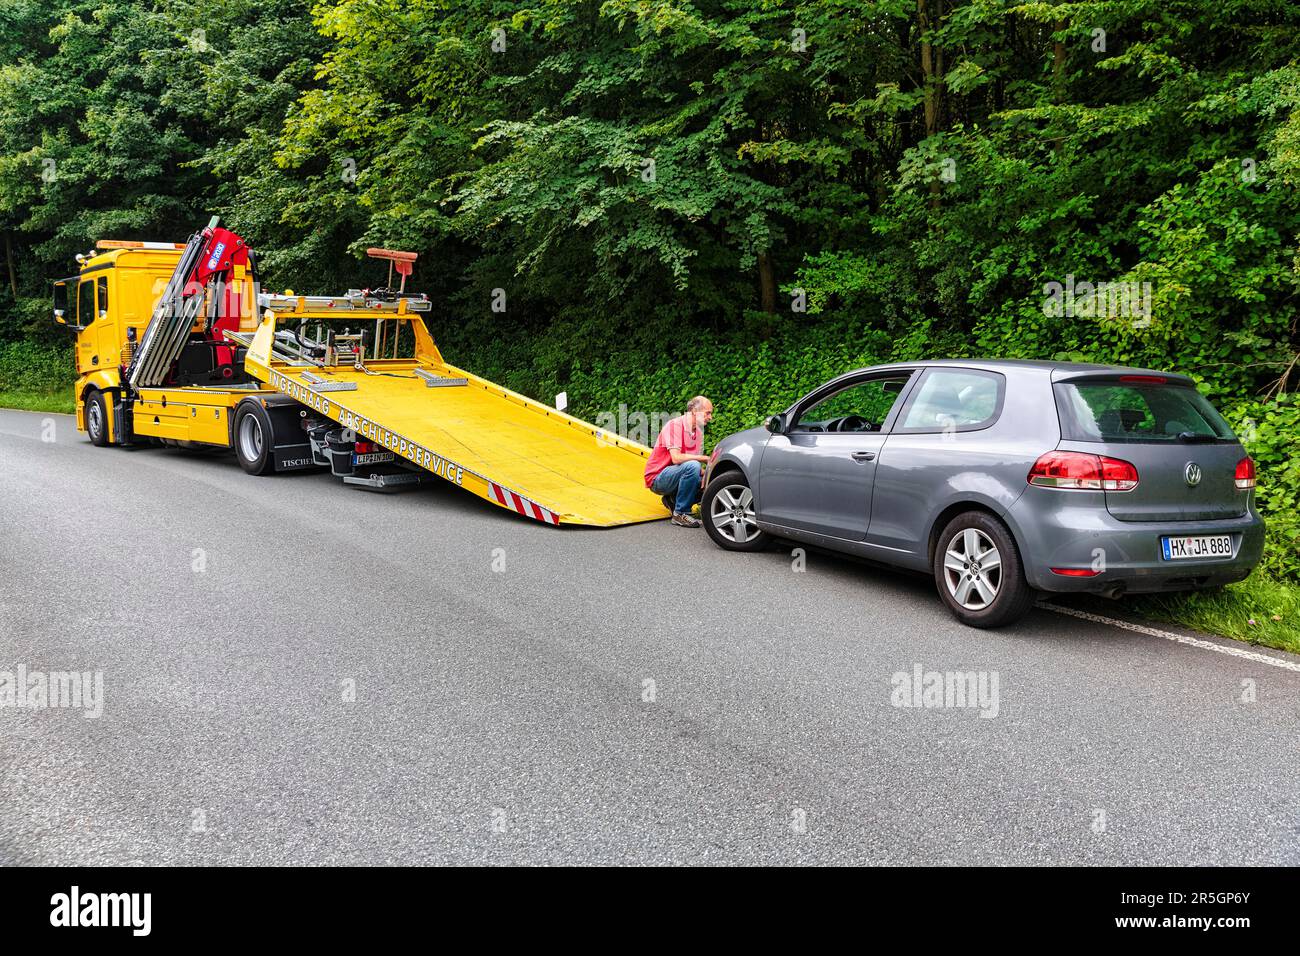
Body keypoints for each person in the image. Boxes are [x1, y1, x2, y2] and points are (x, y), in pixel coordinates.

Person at [644, 396, 713, 527]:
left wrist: (710, 474)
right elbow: (676, 458)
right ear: (694, 411)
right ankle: (680, 513)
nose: (710, 417)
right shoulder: (674, 425)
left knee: (710, 480)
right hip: (658, 477)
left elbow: (692, 468)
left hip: (676, 474)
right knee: (694, 465)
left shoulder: (698, 432)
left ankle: (673, 500)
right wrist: (704, 458)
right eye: (707, 413)